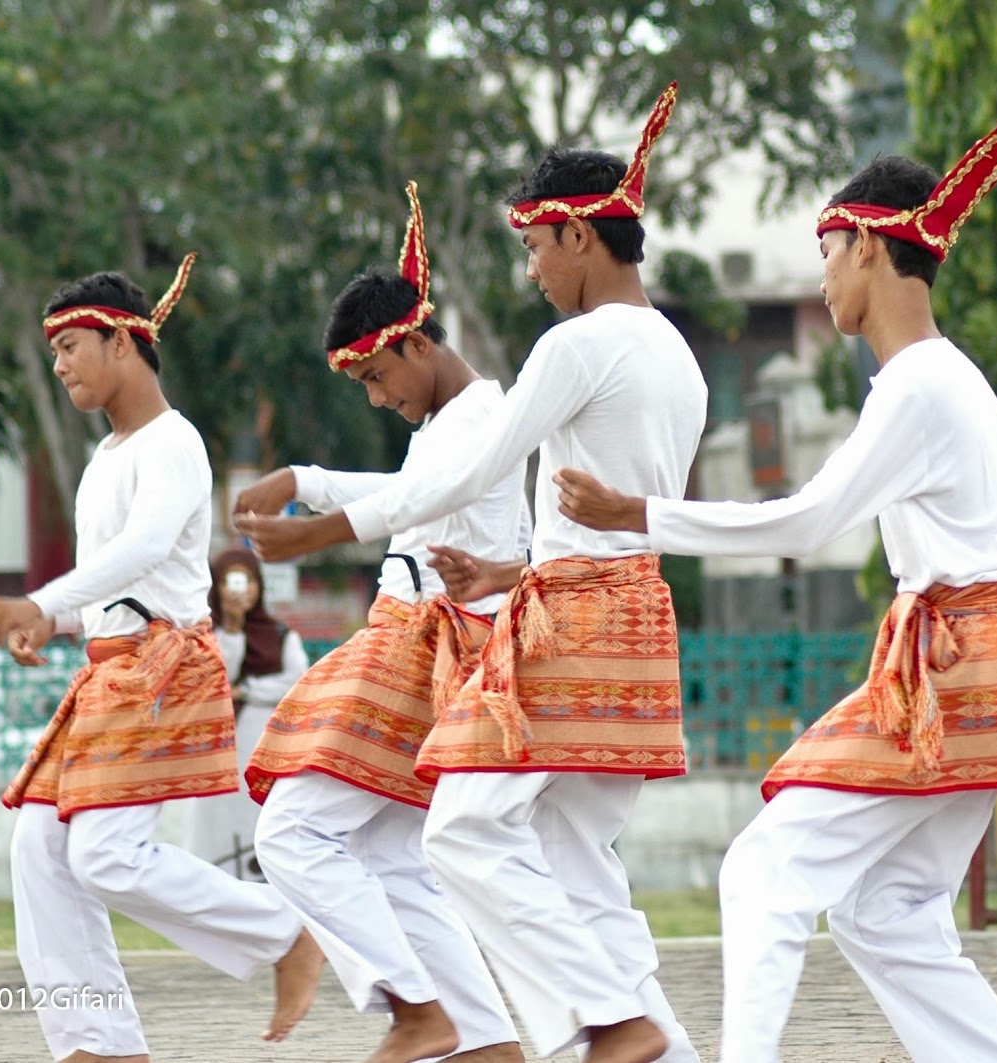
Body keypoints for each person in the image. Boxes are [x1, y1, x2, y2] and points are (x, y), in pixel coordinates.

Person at [554, 119, 997, 1063]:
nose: (825, 278)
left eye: (828, 254)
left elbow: (804, 521)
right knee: (888, 912)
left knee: (762, 870)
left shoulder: (917, 385)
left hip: (952, 670)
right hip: (987, 669)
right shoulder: (953, 382)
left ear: (869, 246)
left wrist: (642, 515)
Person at [237, 86, 704, 1063]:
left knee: (461, 835)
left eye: (534, 249)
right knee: (578, 866)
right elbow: (603, 500)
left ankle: (605, 1021)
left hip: (570, 620)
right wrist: (497, 557)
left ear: (576, 233)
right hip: (633, 614)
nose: (531, 273)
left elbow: (476, 469)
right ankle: (653, 1039)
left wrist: (316, 529)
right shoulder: (677, 355)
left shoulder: (576, 345)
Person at [0, 257, 323, 1062]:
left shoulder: (175, 440)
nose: (59, 367)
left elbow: (149, 549)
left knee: (104, 853)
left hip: (165, 669)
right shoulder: (102, 461)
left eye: (70, 348)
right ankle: (100, 1045)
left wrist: (39, 601)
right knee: (41, 845)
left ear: (124, 343)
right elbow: (117, 585)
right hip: (113, 667)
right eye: (53, 352)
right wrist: (50, 622)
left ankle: (287, 932)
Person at [236, 182, 530, 1063]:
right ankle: (481, 1040)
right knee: (395, 855)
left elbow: (415, 496)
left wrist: (310, 526)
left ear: (413, 342)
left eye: (374, 375)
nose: (373, 396)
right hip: (415, 639)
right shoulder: (448, 419)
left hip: (429, 643)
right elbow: (403, 495)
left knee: (291, 829)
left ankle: (412, 1007)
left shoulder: (485, 414)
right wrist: (301, 477)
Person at [186, 546, 309, 878]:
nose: (242, 590)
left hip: (262, 740)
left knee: (259, 812)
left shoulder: (281, 635)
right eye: (231, 581)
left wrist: (250, 690)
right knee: (218, 817)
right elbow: (218, 676)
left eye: (248, 581)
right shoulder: (206, 635)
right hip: (220, 742)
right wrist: (233, 628)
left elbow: (296, 681)